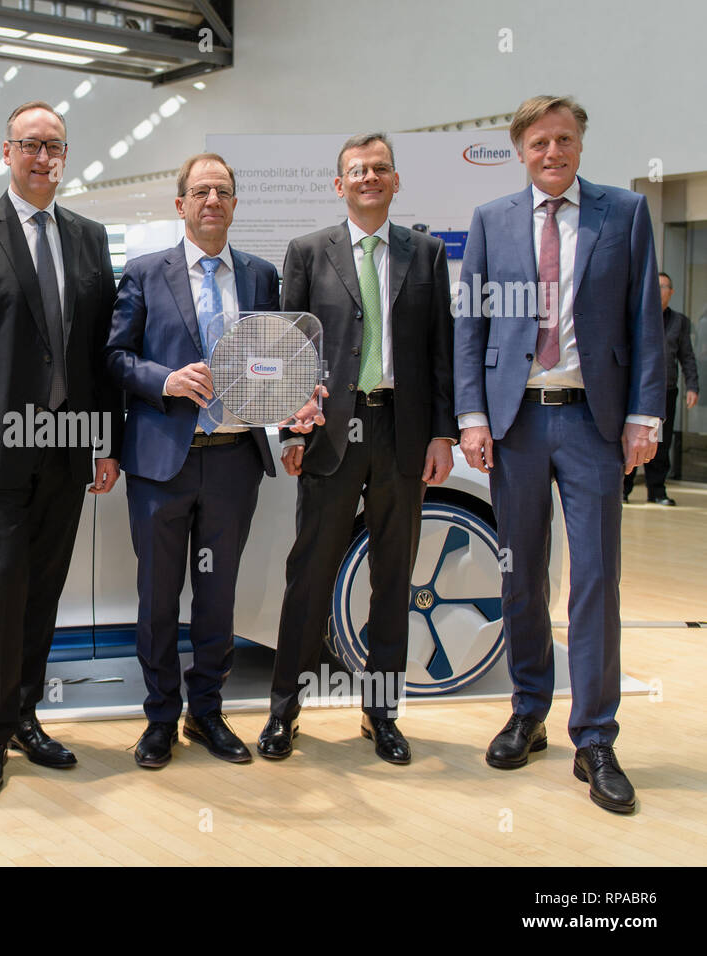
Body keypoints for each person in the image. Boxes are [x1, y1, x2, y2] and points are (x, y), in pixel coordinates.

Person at [456, 96, 664, 814]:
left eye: (565, 139)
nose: (554, 152)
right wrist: (472, 416)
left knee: (596, 578)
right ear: (521, 149)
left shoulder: (624, 213)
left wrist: (645, 415)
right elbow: (471, 325)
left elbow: (644, 321)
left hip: (592, 423)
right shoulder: (492, 220)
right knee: (520, 576)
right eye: (540, 142)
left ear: (580, 144)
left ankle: (596, 736)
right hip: (515, 425)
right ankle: (528, 711)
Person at [0, 101, 123, 799]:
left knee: (42, 591)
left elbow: (100, 355)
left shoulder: (90, 238)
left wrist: (104, 442)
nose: (44, 158)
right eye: (31, 145)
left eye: (56, 147)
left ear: (65, 158)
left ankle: (26, 717)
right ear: (7, 153)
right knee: (1, 586)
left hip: (68, 448)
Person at [260, 132, 456, 766]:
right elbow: (288, 352)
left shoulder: (425, 254)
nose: (368, 178)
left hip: (401, 431)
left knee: (393, 578)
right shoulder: (307, 253)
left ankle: (381, 713)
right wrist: (291, 430)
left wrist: (441, 435)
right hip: (328, 435)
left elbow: (440, 351)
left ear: (395, 182)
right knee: (309, 575)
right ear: (337, 185)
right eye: (356, 171)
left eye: (380, 169)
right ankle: (283, 711)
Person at [106, 152, 304, 768]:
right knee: (158, 597)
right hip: (162, 462)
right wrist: (164, 380)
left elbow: (282, 362)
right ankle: (160, 718)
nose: (211, 200)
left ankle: (207, 714)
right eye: (200, 191)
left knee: (218, 597)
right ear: (181, 205)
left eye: (222, 190)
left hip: (233, 463)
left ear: (235, 203)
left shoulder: (261, 277)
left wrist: (298, 400)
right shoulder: (144, 272)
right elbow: (113, 357)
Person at [623, 272, 698, 505]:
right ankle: (623, 490)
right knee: (631, 436)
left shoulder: (680, 322)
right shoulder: (637, 315)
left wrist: (692, 386)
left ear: (671, 292)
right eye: (655, 286)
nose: (658, 290)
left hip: (665, 391)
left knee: (659, 442)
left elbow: (687, 356)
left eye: (663, 286)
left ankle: (657, 491)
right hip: (635, 390)